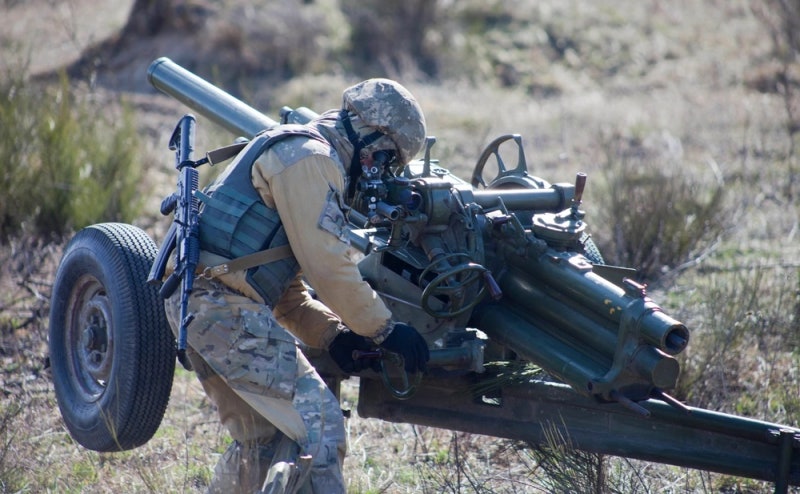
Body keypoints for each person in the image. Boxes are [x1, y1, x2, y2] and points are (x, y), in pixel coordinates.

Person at [162, 78, 430, 493]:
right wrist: (386, 329)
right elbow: (329, 267)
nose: (379, 168)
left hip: (203, 309)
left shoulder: (301, 153)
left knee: (263, 441)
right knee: (319, 426)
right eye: (384, 155)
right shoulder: (311, 160)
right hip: (222, 310)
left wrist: (333, 335)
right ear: (364, 133)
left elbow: (283, 293)